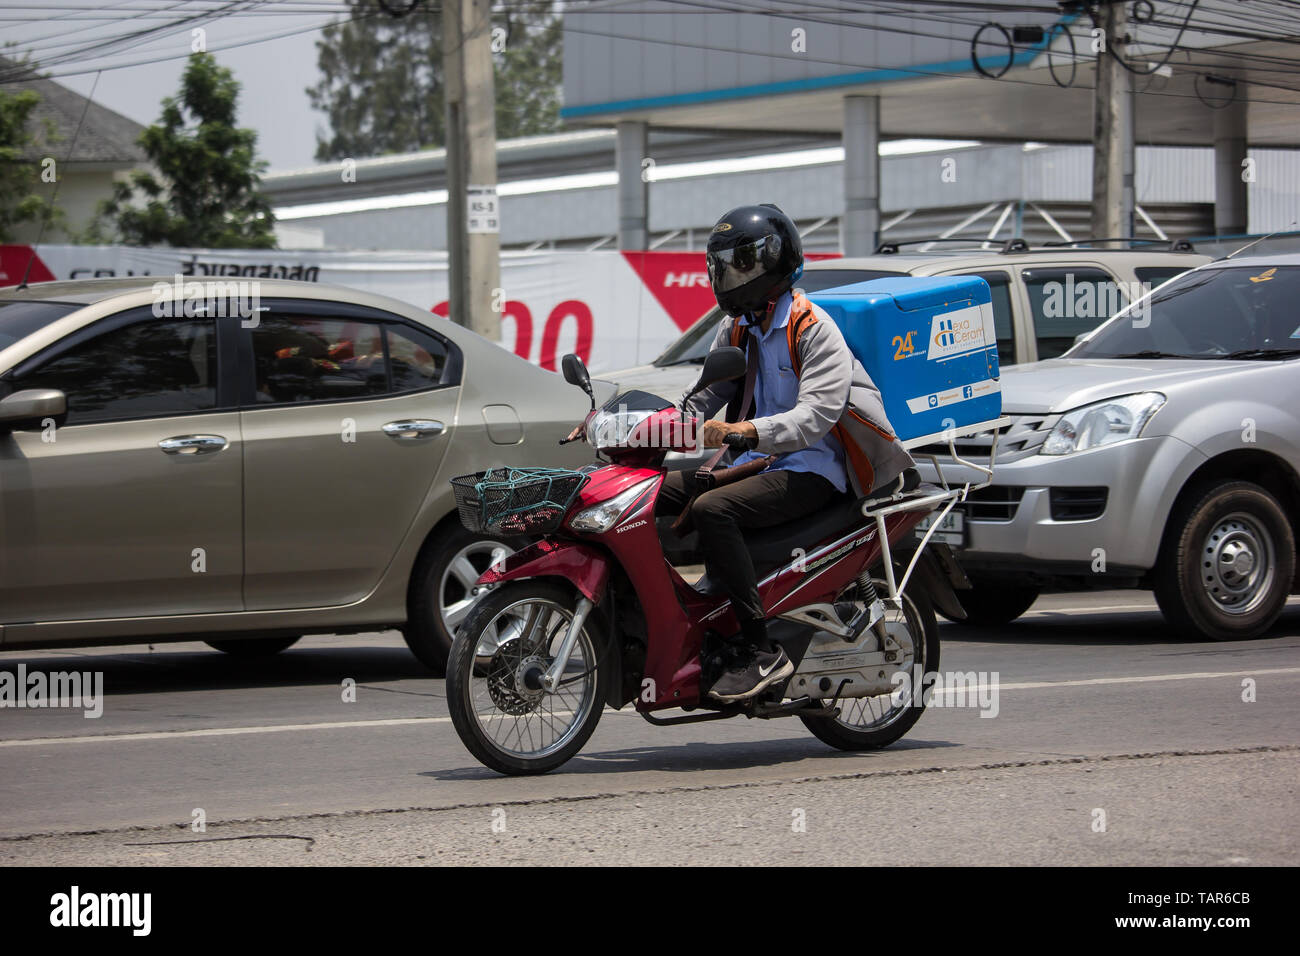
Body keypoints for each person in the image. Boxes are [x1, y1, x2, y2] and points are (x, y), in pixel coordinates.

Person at [656, 203, 915, 703]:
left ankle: (759, 650)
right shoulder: (736, 329)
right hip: (757, 462)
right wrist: (635, 425)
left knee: (714, 510)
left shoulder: (813, 329)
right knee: (649, 493)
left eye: (740, 263)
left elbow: (813, 419)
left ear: (772, 262)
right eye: (722, 265)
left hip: (815, 469)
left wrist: (742, 431)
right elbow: (699, 401)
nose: (728, 276)